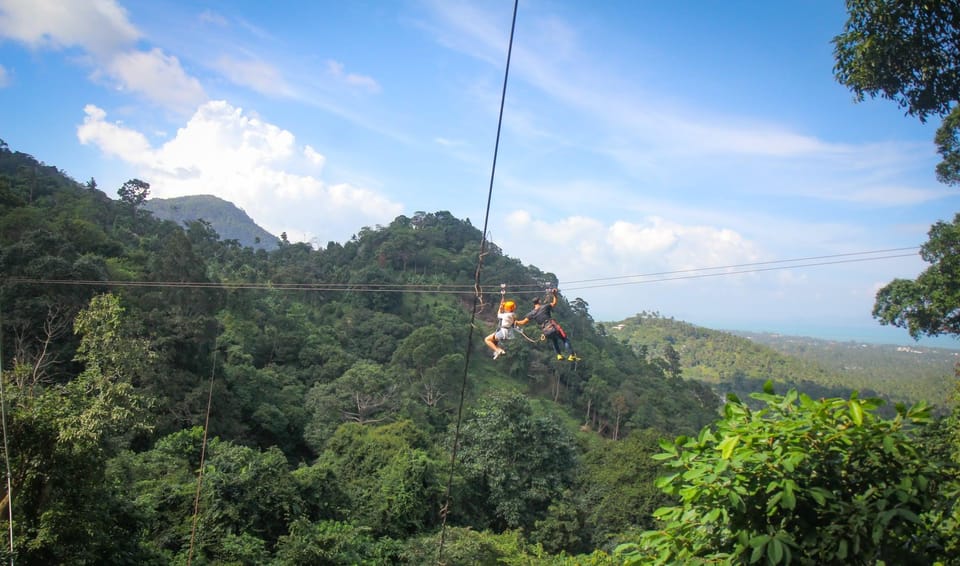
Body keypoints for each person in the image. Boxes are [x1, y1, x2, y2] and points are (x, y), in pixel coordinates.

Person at [515, 288, 579, 361]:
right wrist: (554, 295)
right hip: (552, 326)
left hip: (546, 331)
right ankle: (571, 355)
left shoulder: (532, 313)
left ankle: (559, 355)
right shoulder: (545, 307)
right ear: (539, 301)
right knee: (565, 339)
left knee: (554, 340)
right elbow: (554, 303)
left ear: (534, 303)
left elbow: (523, 322)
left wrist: (515, 321)